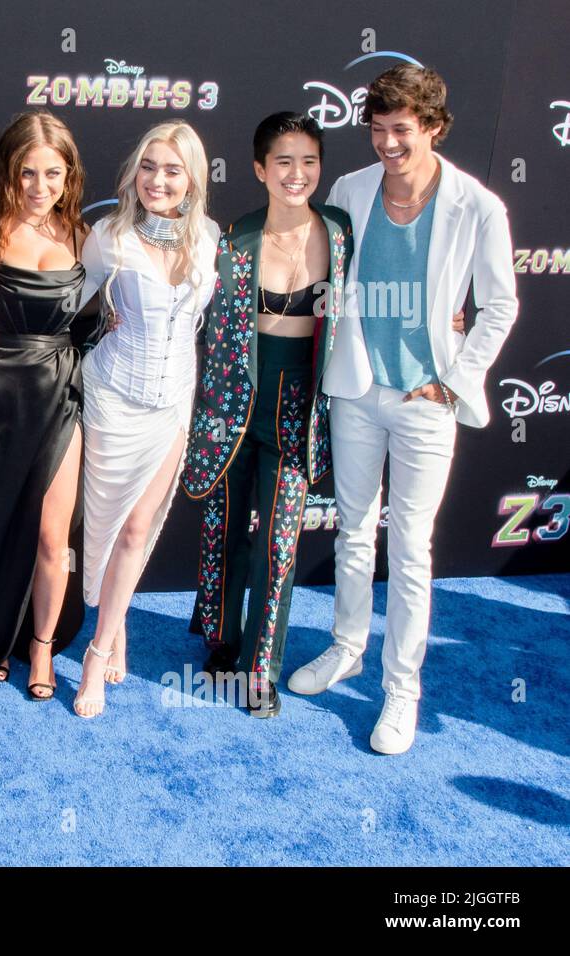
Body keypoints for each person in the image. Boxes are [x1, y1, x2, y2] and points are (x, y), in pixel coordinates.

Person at [287, 65, 518, 753]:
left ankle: (401, 691)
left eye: (402, 131)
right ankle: (347, 646)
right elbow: (328, 277)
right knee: (355, 532)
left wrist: (455, 377)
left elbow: (500, 304)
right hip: (357, 390)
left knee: (410, 548)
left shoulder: (477, 207)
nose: (388, 144)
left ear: (435, 129)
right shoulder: (350, 191)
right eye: (378, 130)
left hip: (425, 401)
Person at [180, 113, 353, 718]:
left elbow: (381, 297)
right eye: (284, 161)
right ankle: (222, 642)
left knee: (277, 546)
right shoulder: (234, 236)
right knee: (223, 532)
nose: (296, 173)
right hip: (234, 405)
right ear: (259, 169)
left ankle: (262, 669)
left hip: (298, 410)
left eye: (308, 161)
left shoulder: (340, 235)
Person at [73, 121, 221, 719]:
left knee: (139, 529)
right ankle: (114, 619)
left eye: (173, 169)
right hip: (113, 397)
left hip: (173, 402)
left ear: (191, 180)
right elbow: (68, 303)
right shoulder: (107, 236)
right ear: (135, 172)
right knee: (103, 528)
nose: (158, 180)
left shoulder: (209, 237)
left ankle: (98, 649)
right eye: (149, 166)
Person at [0, 111, 88, 701]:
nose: (40, 187)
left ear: (69, 175)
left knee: (54, 536)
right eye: (27, 173)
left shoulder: (83, 235)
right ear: (9, 172)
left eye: (53, 174)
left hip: (60, 395)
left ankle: (41, 648)